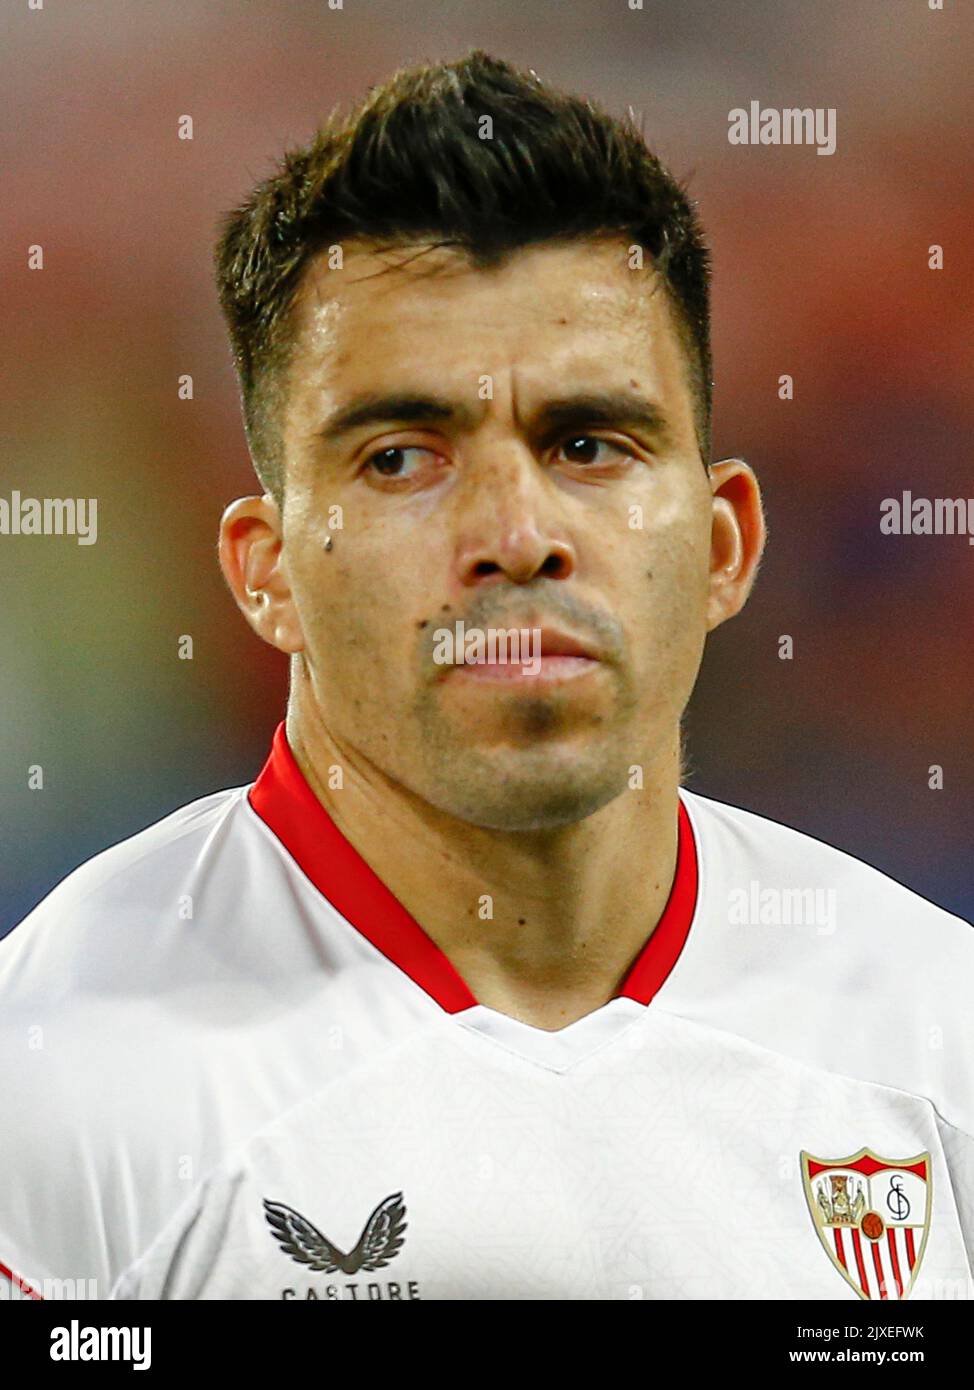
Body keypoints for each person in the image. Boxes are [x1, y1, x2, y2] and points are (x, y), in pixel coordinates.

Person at [2, 50, 971, 1303]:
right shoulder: (50, 1077)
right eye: (402, 457)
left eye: (588, 443)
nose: (516, 536)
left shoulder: (934, 1037)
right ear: (265, 572)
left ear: (725, 542)